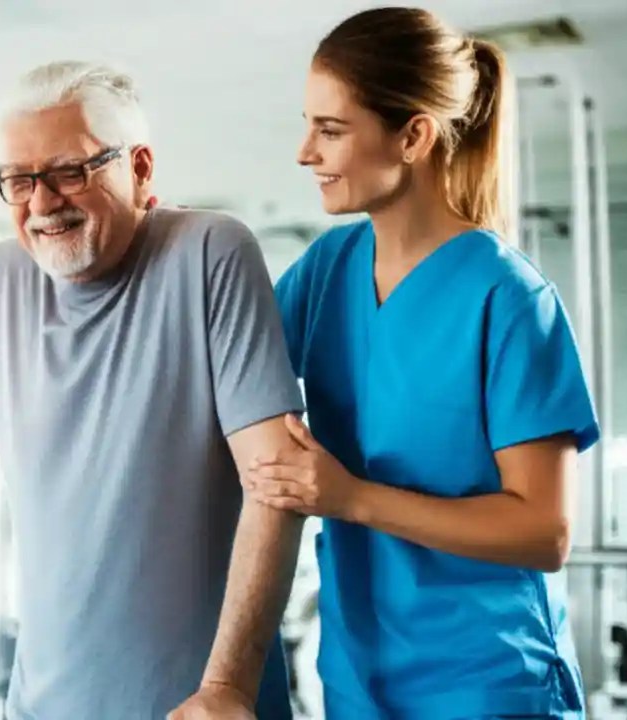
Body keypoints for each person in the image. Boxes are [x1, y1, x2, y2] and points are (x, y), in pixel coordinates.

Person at [0, 61, 307, 720]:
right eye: (19, 180)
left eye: (69, 171)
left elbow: (276, 482)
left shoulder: (210, 253)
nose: (42, 202)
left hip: (200, 706)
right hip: (43, 703)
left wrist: (229, 687)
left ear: (138, 169)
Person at [245, 7, 599, 719]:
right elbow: (226, 376)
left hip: (485, 681)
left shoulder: (509, 297)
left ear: (412, 136)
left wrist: (351, 498)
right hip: (356, 677)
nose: (304, 151)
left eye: (331, 129)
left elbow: (544, 532)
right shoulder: (327, 269)